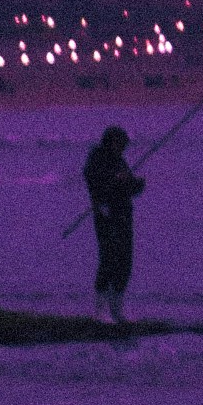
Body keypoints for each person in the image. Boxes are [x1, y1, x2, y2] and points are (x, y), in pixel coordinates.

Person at [82, 121, 145, 323]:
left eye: (124, 144)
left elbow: (128, 188)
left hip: (124, 215)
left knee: (125, 262)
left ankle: (117, 310)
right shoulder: (97, 160)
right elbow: (95, 182)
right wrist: (115, 179)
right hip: (106, 216)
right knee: (108, 259)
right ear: (110, 142)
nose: (123, 147)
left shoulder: (120, 161)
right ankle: (100, 312)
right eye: (120, 143)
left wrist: (136, 184)